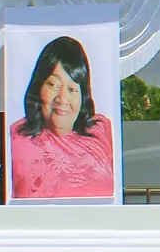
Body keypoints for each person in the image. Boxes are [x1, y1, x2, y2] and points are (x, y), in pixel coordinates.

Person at [8, 37, 115, 200]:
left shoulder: (101, 130)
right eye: (54, 85)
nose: (62, 98)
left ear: (82, 97)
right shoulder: (15, 137)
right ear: (39, 87)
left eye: (72, 89)